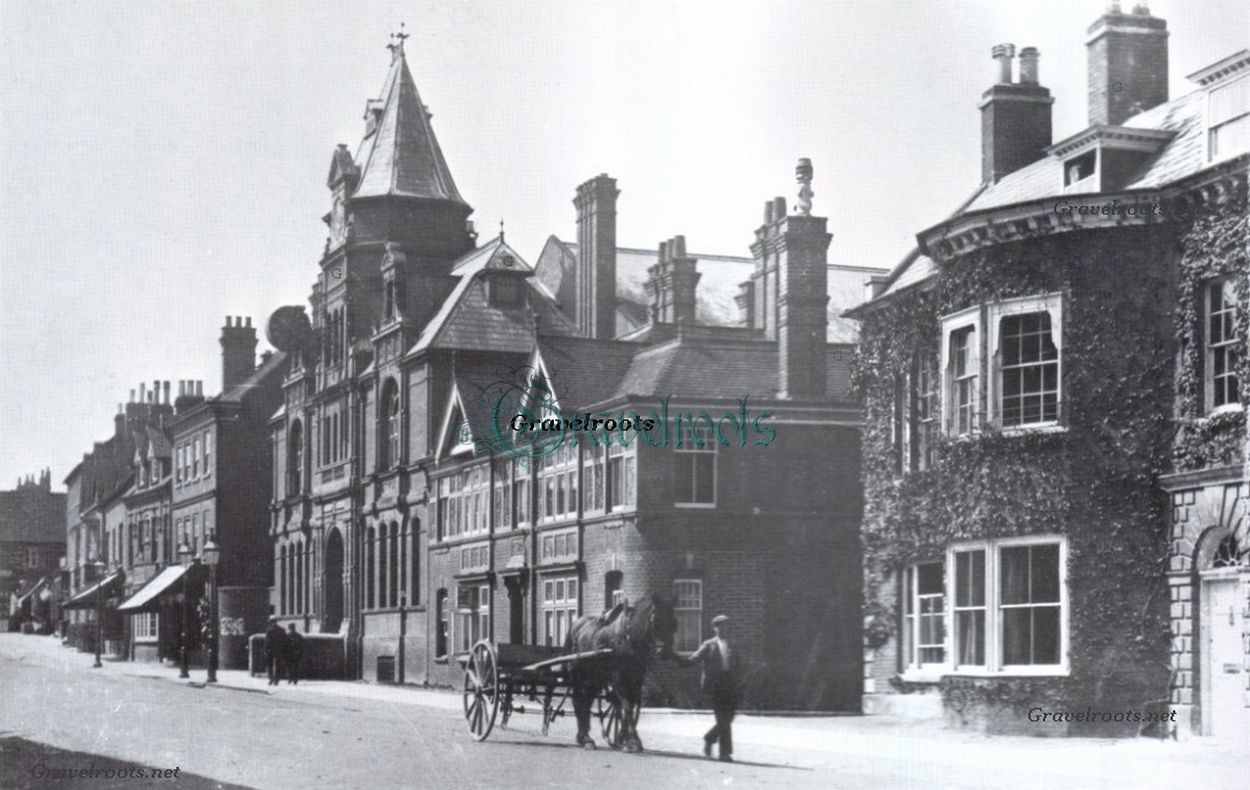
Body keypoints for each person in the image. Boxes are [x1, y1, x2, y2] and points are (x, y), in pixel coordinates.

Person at [675, 614, 741, 762]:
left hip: (730, 684)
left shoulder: (733, 644)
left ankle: (709, 738)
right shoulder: (708, 645)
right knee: (722, 718)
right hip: (716, 685)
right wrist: (676, 658)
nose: (723, 629)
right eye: (720, 626)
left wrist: (740, 682)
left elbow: (738, 665)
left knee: (728, 718)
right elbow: (693, 659)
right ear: (714, 628)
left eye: (726, 626)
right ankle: (725, 753)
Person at [264, 617, 286, 686]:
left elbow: (267, 641)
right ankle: (277, 679)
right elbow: (284, 641)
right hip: (279, 650)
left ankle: (271, 679)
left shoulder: (269, 630)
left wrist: (266, 650)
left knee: (270, 665)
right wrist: (284, 650)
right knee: (278, 665)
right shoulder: (281, 630)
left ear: (271, 622)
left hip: (270, 650)